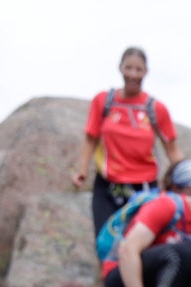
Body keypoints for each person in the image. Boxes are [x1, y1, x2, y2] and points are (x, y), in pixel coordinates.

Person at [71, 47, 183, 238]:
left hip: (143, 186)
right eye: (128, 68)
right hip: (107, 184)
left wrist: (185, 180)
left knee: (138, 243)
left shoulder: (155, 109)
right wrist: (82, 170)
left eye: (138, 70)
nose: (133, 74)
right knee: (105, 242)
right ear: (120, 68)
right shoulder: (104, 101)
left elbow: (172, 150)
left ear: (146, 72)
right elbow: (90, 139)